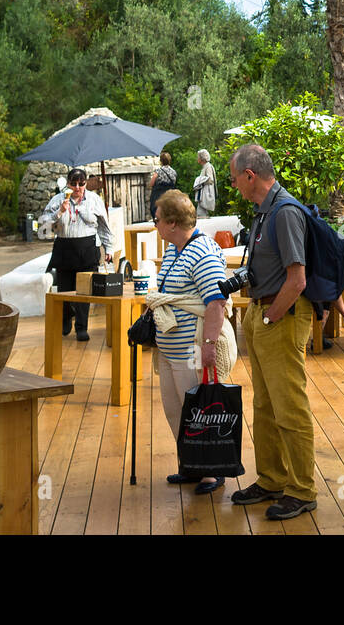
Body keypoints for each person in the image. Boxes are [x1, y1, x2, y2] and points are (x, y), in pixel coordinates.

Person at [227, 144, 318, 520]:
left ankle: (301, 489)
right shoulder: (265, 212)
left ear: (250, 176)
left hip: (280, 316)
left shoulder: (285, 213)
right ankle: (271, 479)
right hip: (262, 312)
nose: (233, 186)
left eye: (234, 179)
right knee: (264, 406)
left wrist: (269, 318)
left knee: (289, 407)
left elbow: (297, 280)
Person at [145, 189, 232, 495]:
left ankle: (212, 473)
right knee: (176, 409)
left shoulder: (203, 251)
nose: (154, 224)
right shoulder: (172, 248)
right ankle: (192, 464)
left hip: (193, 348)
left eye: (157, 219)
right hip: (170, 348)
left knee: (199, 409)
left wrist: (209, 344)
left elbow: (216, 302)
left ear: (171, 222)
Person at [39, 167, 116, 341]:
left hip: (87, 249)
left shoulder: (94, 200)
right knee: (65, 291)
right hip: (64, 248)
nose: (77, 188)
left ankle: (82, 327)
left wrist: (109, 248)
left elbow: (104, 227)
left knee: (84, 291)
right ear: (68, 184)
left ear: (86, 183)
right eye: (73, 184)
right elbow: (43, 230)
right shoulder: (57, 200)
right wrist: (59, 212)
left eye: (81, 184)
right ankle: (66, 320)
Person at [149, 151, 178, 220]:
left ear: (161, 161)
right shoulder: (173, 171)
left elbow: (152, 183)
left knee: (155, 208)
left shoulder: (158, 171)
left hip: (158, 193)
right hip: (170, 193)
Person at [192, 149, 217, 217]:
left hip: (205, 196)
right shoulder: (205, 166)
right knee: (200, 213)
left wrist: (199, 180)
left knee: (201, 214)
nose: (197, 158)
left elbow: (210, 179)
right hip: (203, 196)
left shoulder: (208, 166)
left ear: (202, 158)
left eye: (198, 157)